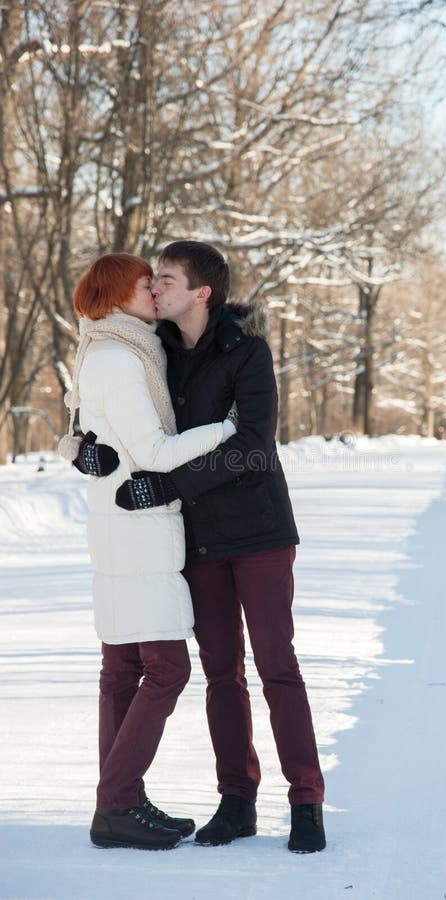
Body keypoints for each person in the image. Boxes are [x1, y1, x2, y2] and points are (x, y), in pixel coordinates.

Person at [78, 241, 326, 853]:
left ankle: (306, 803)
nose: (155, 288)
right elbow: (104, 399)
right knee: (221, 673)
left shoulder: (247, 351)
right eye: (153, 281)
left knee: (277, 669)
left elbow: (254, 447)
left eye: (165, 279)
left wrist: (168, 483)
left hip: (261, 533)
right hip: (200, 539)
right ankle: (237, 801)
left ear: (201, 292)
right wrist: (77, 445)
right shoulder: (155, 350)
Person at [59, 253, 237, 851]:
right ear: (117, 296)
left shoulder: (111, 347)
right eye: (145, 285)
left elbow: (82, 432)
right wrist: (229, 428)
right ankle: (117, 801)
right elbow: (156, 451)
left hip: (116, 524)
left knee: (123, 670)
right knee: (167, 668)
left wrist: (76, 448)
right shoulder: (120, 358)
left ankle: (119, 803)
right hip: (137, 525)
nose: (154, 293)